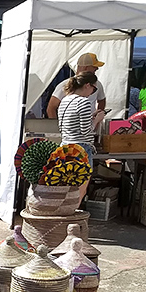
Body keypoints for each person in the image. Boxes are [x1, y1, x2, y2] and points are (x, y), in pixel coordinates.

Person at [57, 71, 105, 201]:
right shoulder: (83, 102)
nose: (93, 92)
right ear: (87, 85)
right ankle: (72, 214)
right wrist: (97, 120)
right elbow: (86, 131)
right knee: (80, 189)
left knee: (67, 186)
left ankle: (65, 214)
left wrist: (90, 118)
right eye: (94, 88)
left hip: (65, 147)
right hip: (81, 148)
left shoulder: (65, 100)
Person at [46, 53, 107, 118]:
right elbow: (51, 108)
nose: (97, 68)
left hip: (82, 125)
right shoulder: (65, 84)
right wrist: (55, 126)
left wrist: (97, 116)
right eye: (94, 67)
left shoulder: (97, 83)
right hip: (81, 126)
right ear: (86, 67)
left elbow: (102, 100)